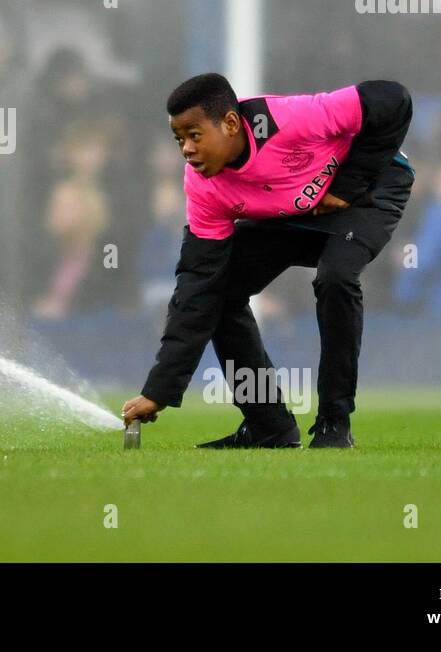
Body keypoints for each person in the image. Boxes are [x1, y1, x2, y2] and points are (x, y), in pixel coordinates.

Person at [121, 72, 414, 448]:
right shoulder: (202, 188)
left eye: (195, 135)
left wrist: (348, 183)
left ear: (230, 123)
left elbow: (392, 98)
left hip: (370, 190)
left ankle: (334, 424)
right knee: (218, 292)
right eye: (179, 139)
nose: (186, 149)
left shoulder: (291, 119)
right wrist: (159, 390)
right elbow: (196, 287)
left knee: (336, 276)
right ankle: (269, 426)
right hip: (297, 208)